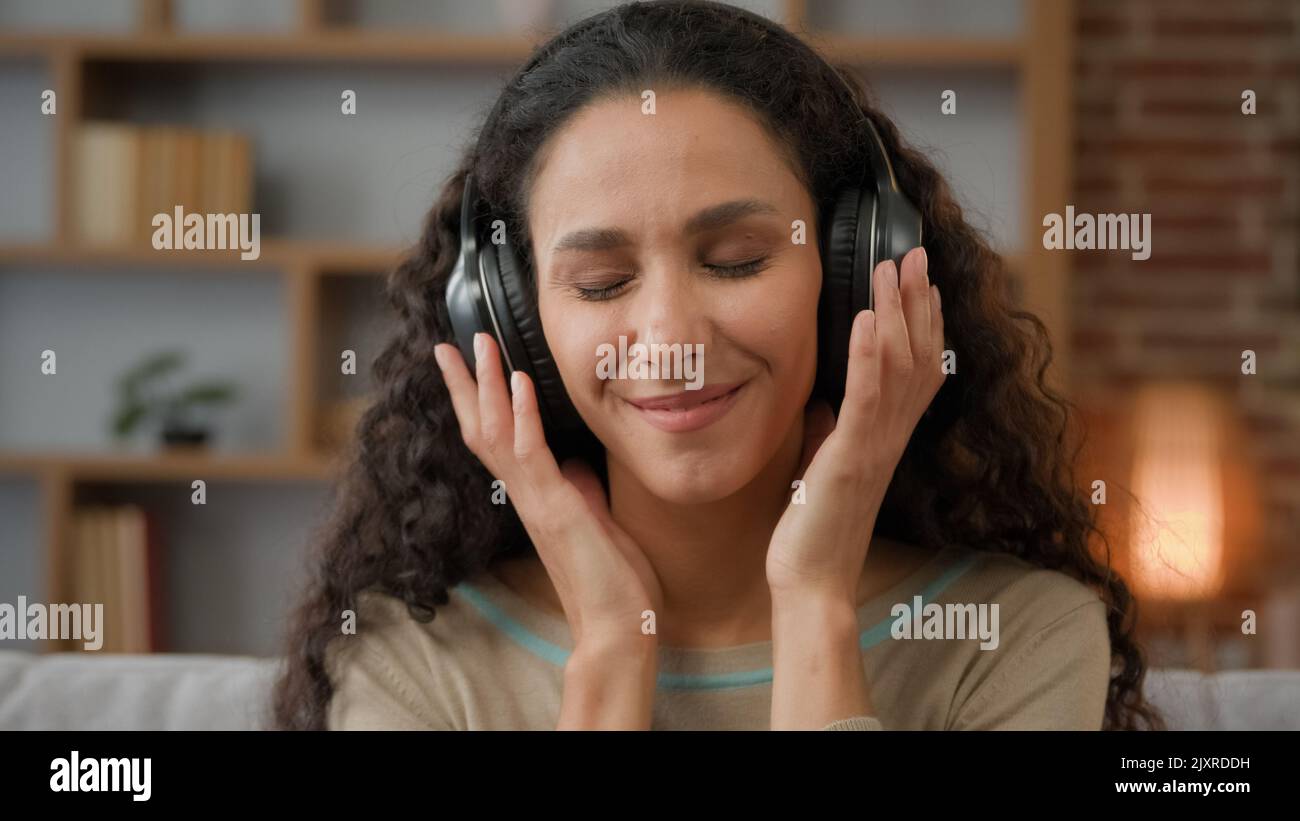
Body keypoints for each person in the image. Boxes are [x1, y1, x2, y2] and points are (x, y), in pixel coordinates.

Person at [272, 0, 1163, 731]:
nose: (670, 335)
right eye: (603, 280)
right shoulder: (413, 665)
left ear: (856, 277)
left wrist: (816, 605)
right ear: (505, 320)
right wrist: (614, 652)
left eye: (737, 259)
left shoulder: (1017, 638)